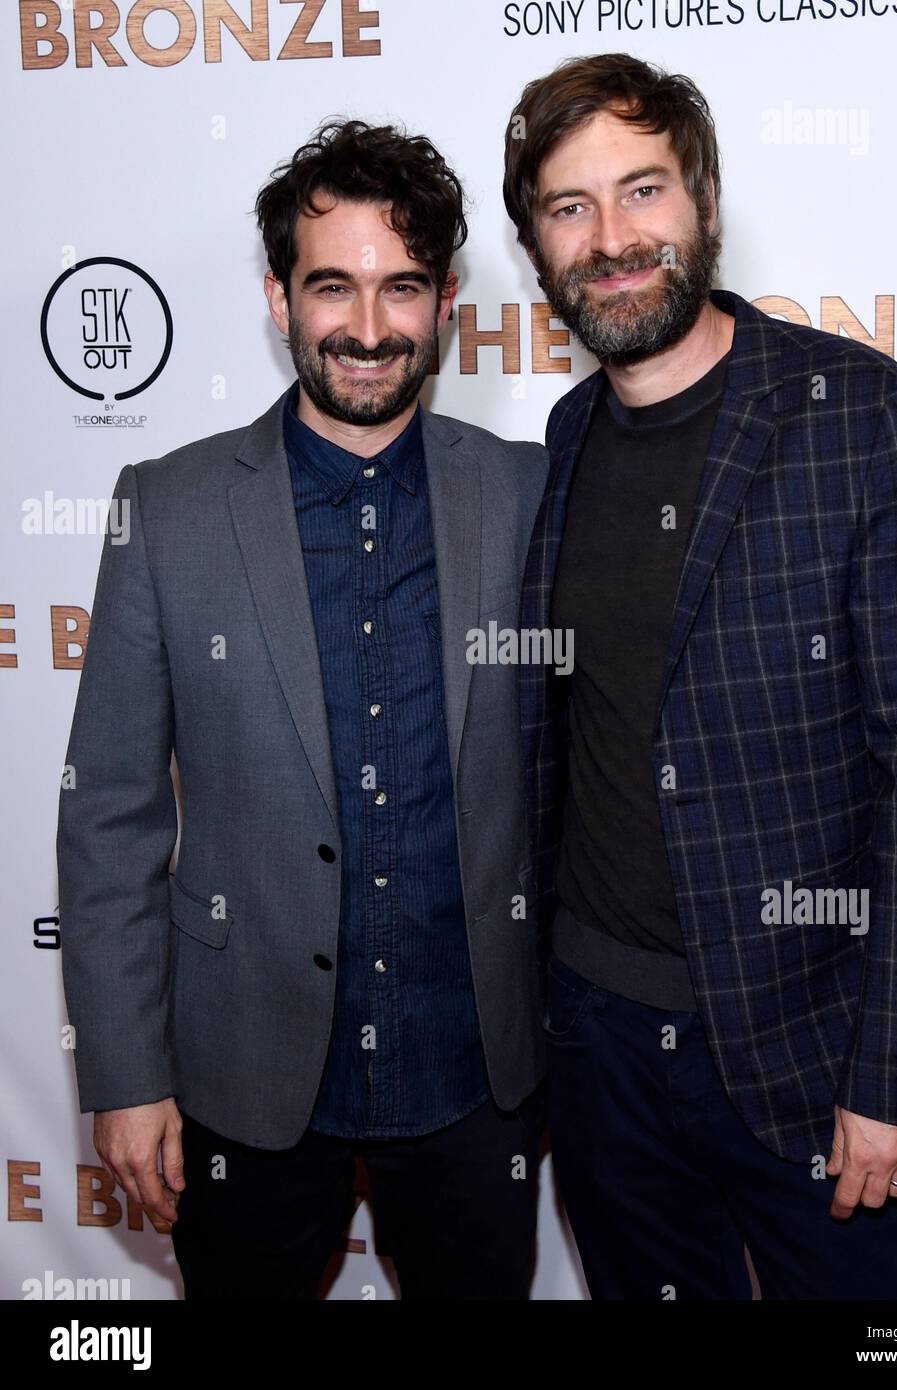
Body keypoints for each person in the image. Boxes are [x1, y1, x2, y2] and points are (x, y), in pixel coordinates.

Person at [503, 54, 897, 1300]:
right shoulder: (563, 440)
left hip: (809, 1044)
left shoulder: (870, 419)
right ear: (537, 246)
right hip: (600, 1042)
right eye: (570, 208)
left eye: (643, 192)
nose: (611, 240)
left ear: (706, 204)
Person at [57, 118, 548, 1300]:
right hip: (246, 1077)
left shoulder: (530, 492)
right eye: (334, 286)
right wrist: (125, 1076)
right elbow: (111, 813)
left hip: (476, 1074)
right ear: (280, 299)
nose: (370, 329)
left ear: (444, 304)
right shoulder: (166, 509)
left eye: (403, 288)